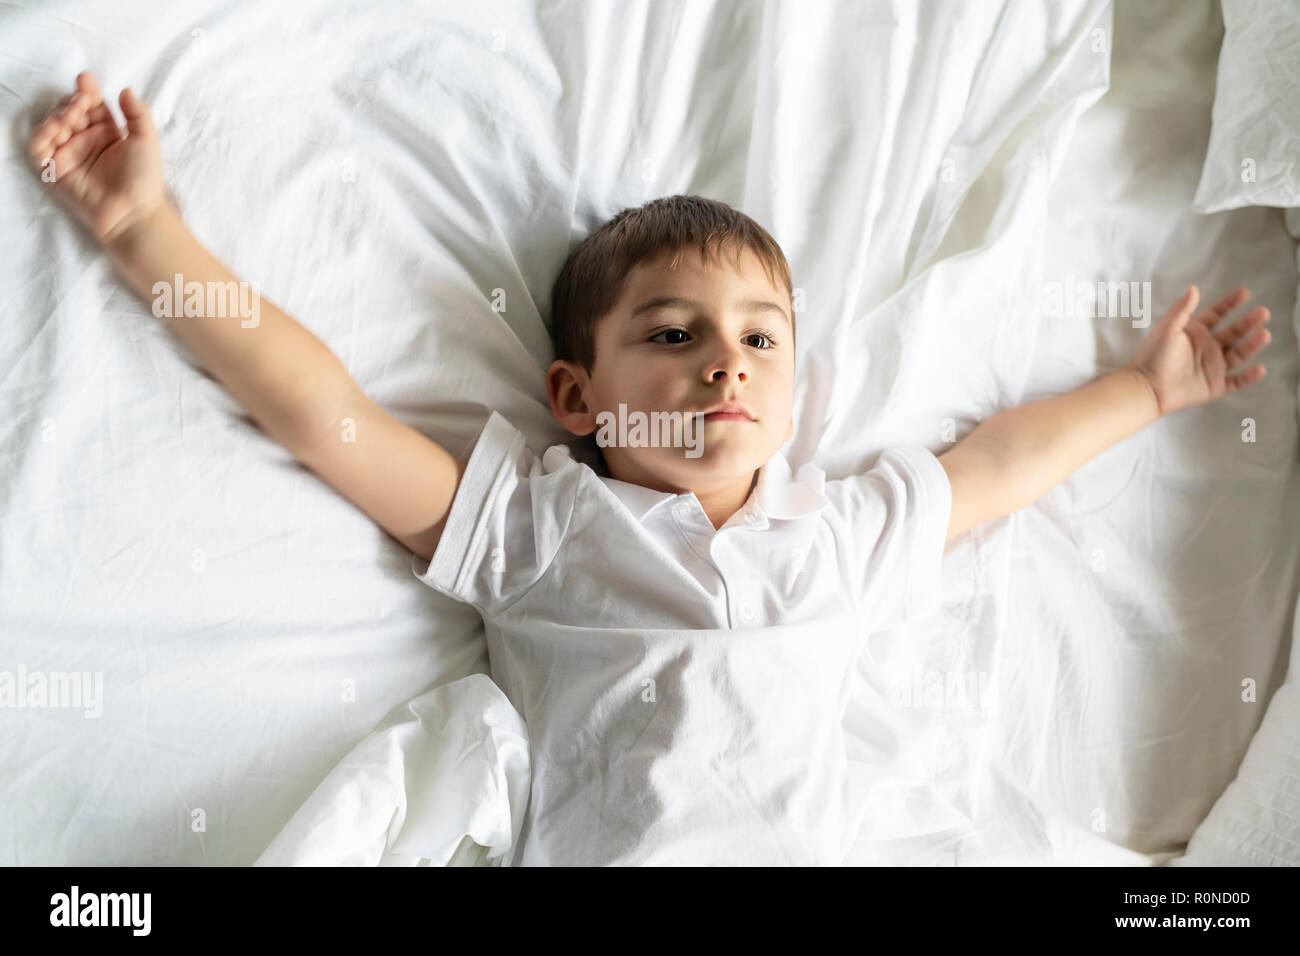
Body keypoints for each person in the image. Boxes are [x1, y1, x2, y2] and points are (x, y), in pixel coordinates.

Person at [27, 71, 1273, 865]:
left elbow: (1000, 464)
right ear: (575, 396)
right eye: (670, 336)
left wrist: (1149, 388)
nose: (721, 365)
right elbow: (328, 418)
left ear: (792, 388)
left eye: (757, 339)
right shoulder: (542, 529)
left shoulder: (841, 532)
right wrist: (148, 231)